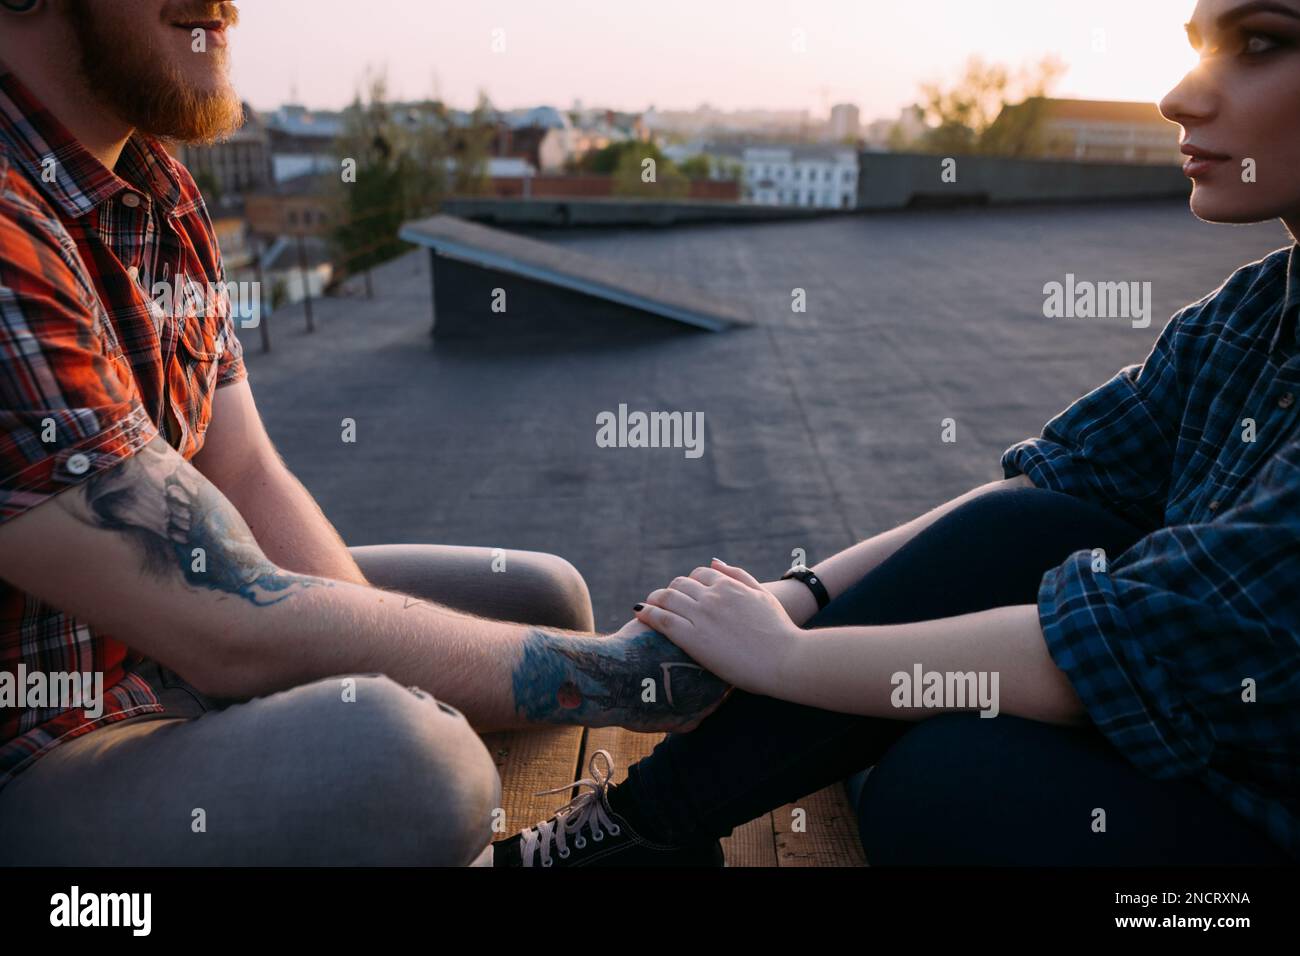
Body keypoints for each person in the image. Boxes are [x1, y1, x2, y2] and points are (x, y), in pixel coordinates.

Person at [494, 0, 1300, 866]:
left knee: (941, 787)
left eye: (1259, 43)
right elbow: (1055, 484)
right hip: (1212, 756)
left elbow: (1124, 648)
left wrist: (785, 660)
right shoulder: (1249, 314)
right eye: (1199, 49)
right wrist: (799, 597)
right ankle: (639, 830)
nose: (1179, 96)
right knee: (1030, 530)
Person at [0, 0, 728, 866]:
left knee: (543, 600)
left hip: (166, 658)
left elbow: (248, 472)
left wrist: (385, 677)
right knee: (410, 759)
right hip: (46, 747)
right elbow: (222, 620)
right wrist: (631, 676)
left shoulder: (155, 188)